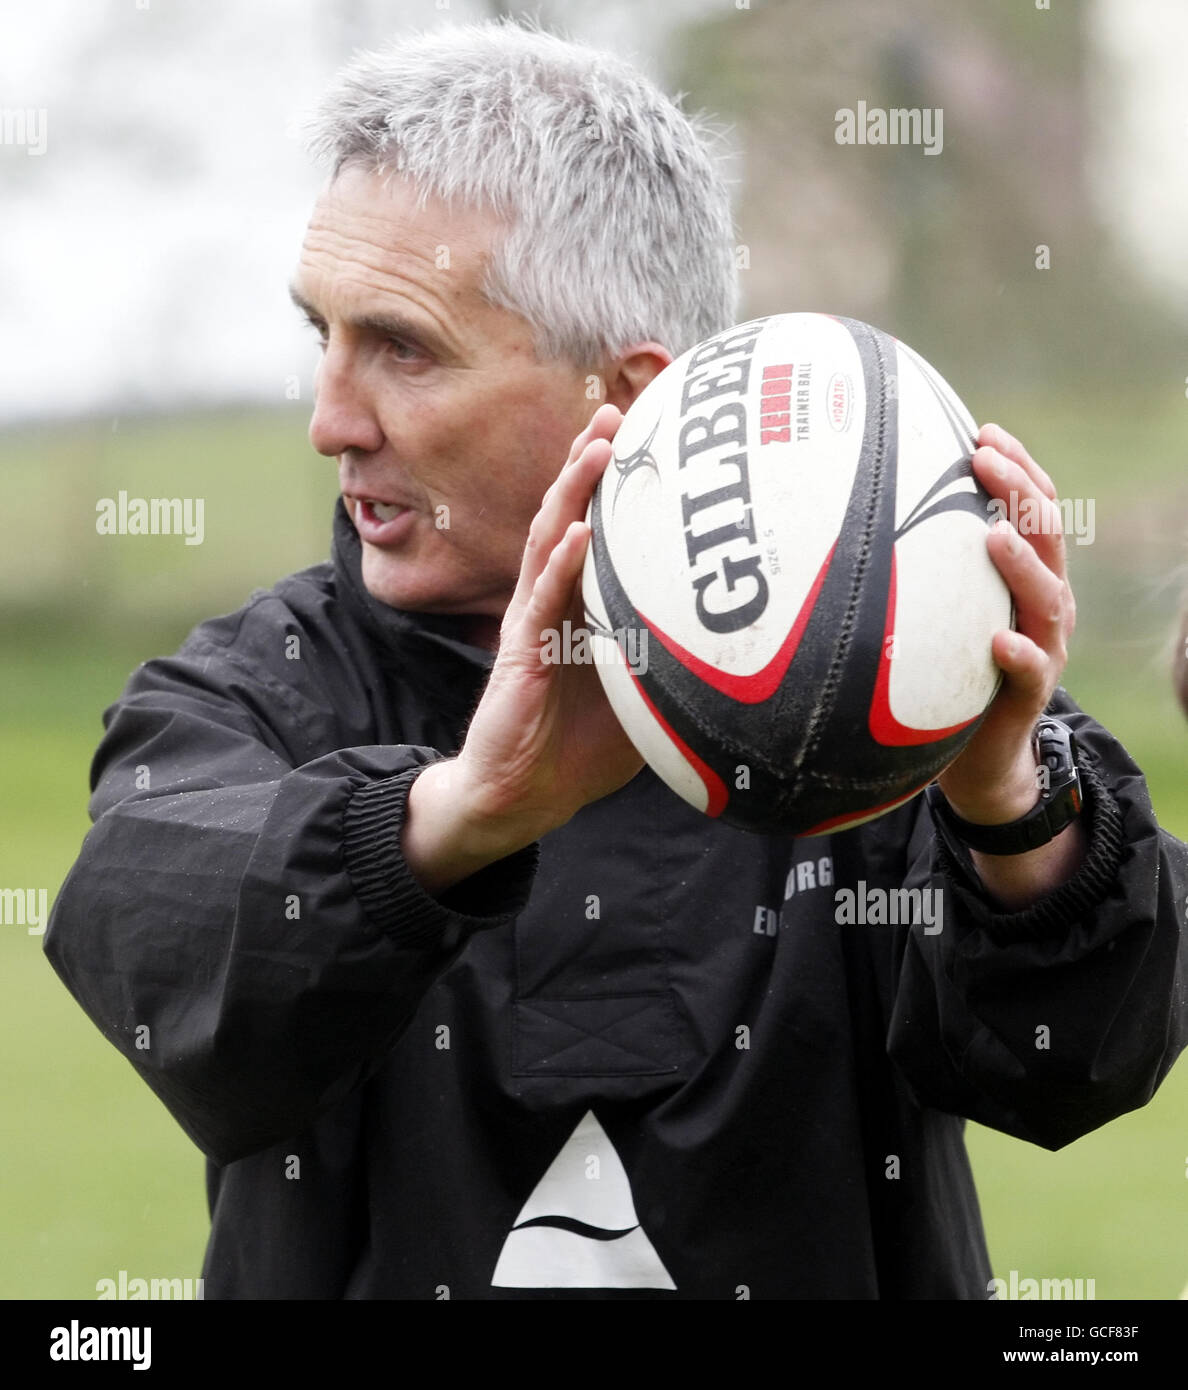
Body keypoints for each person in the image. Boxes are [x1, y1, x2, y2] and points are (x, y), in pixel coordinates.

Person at [45, 20, 1188, 1299]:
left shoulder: (875, 695)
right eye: (324, 333)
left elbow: (1070, 1066)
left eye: (403, 347)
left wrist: (1005, 808)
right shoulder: (266, 683)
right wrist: (459, 816)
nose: (329, 418)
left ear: (628, 399)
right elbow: (152, 948)